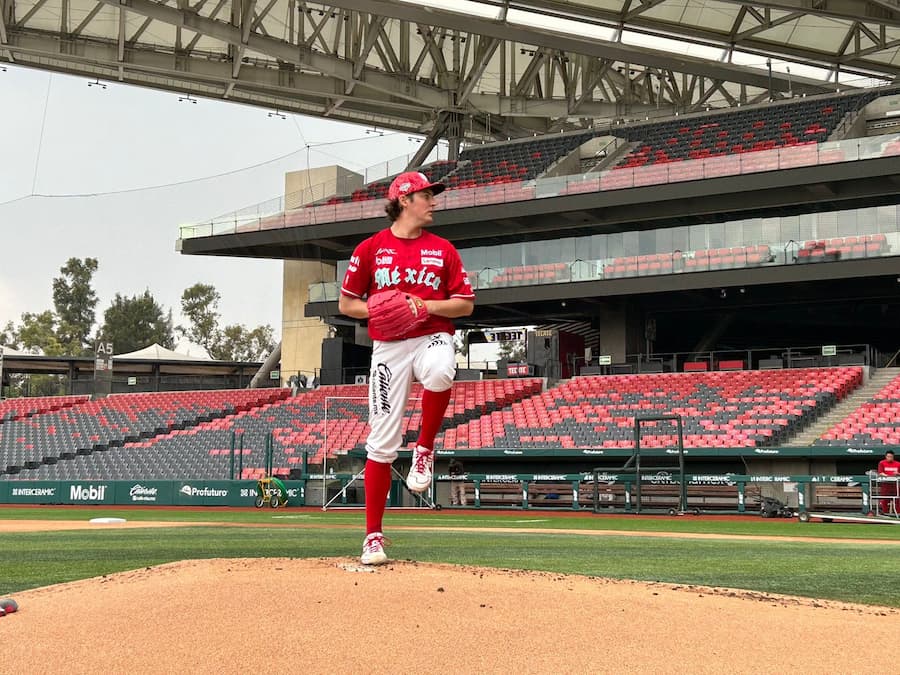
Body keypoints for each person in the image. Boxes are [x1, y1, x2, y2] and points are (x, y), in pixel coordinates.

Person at [338, 171, 475, 565]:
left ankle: (424, 449)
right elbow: (348, 304)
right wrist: (381, 308)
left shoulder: (443, 249)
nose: (433, 201)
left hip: (432, 334)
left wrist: (422, 305)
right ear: (404, 200)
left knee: (441, 370)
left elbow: (465, 304)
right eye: (426, 196)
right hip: (389, 346)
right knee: (381, 443)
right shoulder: (370, 249)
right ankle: (372, 538)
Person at [877, 450, 900, 516]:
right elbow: (880, 473)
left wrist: (898, 473)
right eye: (888, 456)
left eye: (891, 457)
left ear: (893, 457)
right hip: (885, 484)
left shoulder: (898, 464)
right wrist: (886, 475)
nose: (889, 458)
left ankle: (898, 513)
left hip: (895, 485)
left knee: (897, 499)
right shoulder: (882, 463)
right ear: (886, 456)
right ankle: (885, 513)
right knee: (885, 499)